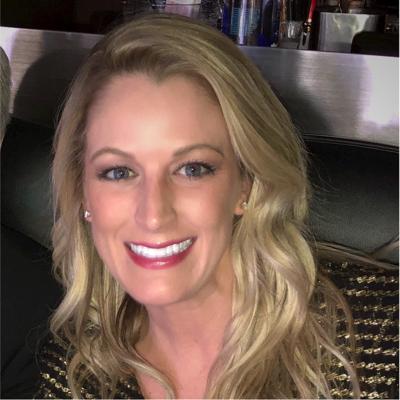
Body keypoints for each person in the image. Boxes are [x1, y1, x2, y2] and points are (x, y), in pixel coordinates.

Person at [34, 12, 396, 399]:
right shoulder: (78, 373)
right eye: (119, 172)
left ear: (247, 182)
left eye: (192, 169)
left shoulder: (380, 332)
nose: (153, 214)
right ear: (83, 193)